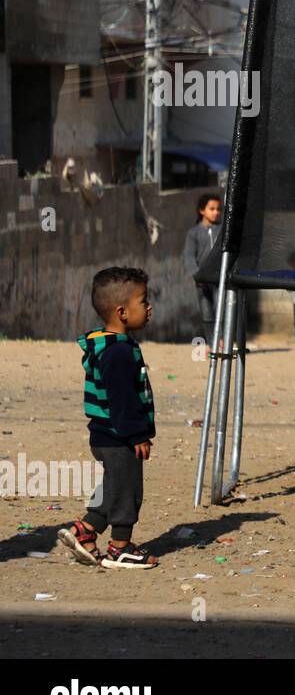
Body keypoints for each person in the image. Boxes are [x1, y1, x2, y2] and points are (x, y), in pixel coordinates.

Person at [58, 267, 159, 569]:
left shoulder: (108, 344)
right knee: (128, 490)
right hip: (118, 437)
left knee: (115, 486)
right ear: (122, 312)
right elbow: (122, 401)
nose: (148, 307)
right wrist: (136, 434)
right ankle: (120, 547)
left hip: (105, 434)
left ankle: (85, 531)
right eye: (143, 301)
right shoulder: (117, 353)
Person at [183, 192, 222, 337]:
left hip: (220, 278)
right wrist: (197, 275)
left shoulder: (223, 230)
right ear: (202, 210)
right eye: (212, 209)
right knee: (207, 313)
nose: (216, 212)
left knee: (221, 310)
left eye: (218, 209)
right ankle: (212, 343)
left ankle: (223, 342)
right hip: (202, 280)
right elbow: (189, 256)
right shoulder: (194, 233)